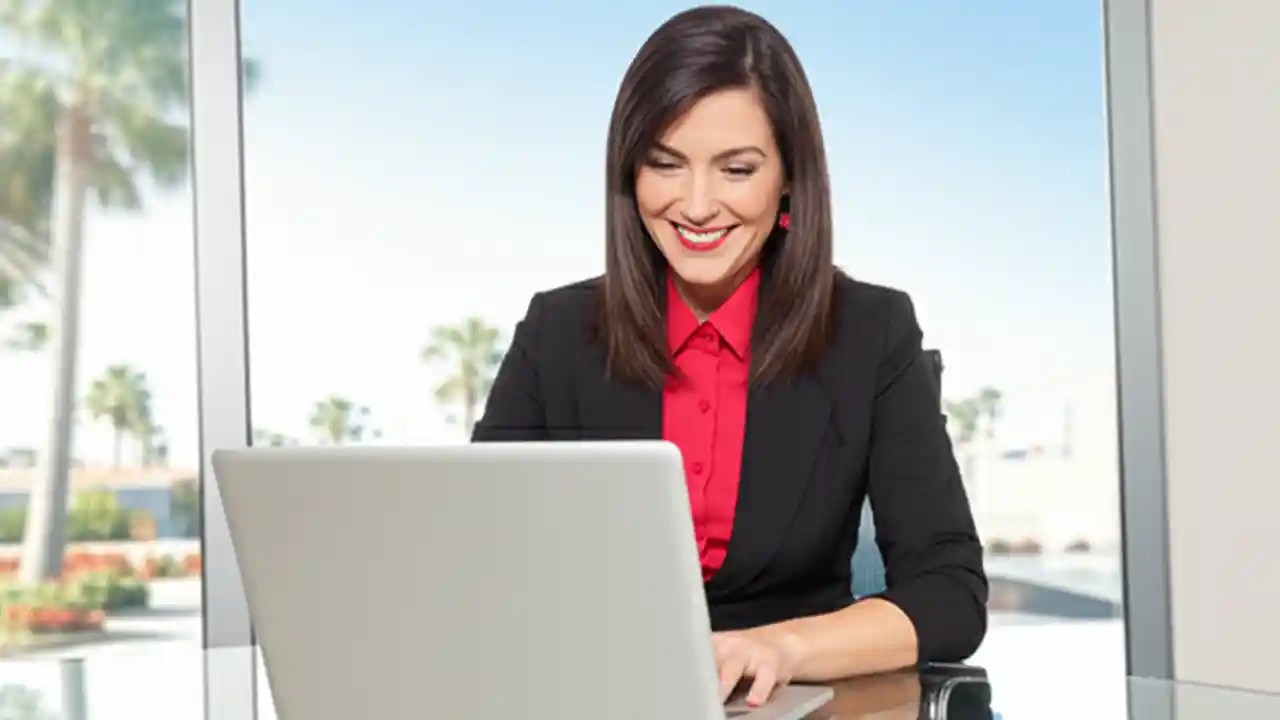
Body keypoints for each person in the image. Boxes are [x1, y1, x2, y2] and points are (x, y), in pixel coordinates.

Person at [472, 4, 987, 708]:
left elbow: (949, 594)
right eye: (665, 165)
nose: (697, 204)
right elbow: (482, 565)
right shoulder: (556, 332)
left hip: (800, 701)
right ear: (630, 174)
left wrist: (785, 646)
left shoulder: (872, 331)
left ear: (789, 180)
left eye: (736, 169)